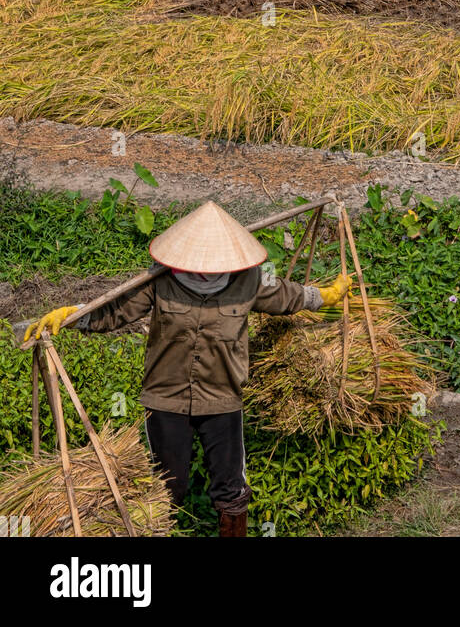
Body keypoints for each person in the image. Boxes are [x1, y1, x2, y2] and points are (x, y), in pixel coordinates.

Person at [24, 201, 351, 537]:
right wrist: (72, 315)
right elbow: (116, 310)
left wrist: (325, 295)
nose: (207, 268)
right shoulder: (160, 279)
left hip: (222, 399)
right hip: (166, 399)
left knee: (231, 489)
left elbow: (288, 296)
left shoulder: (249, 280)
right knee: (167, 487)